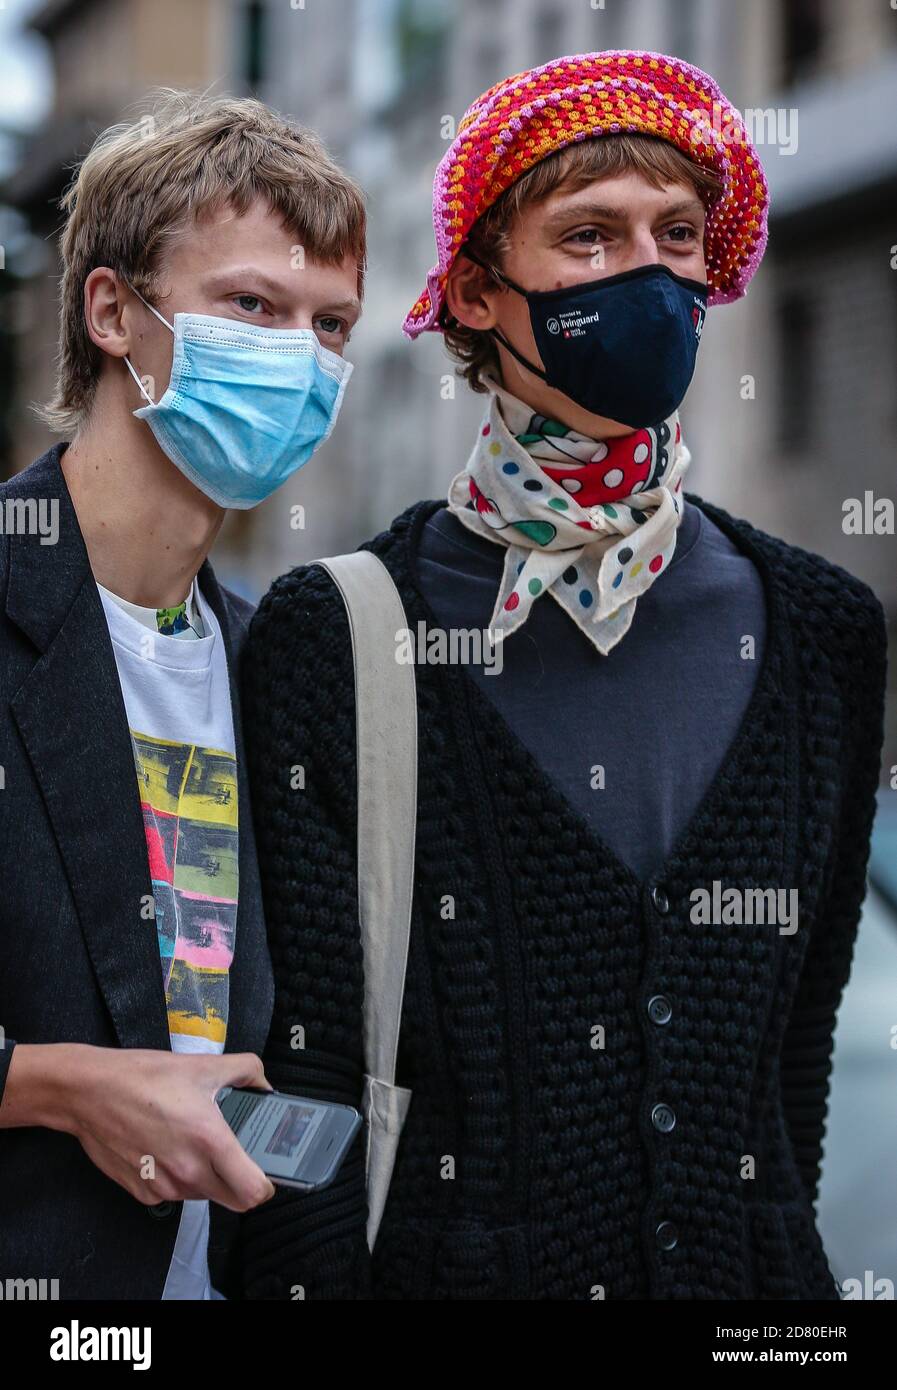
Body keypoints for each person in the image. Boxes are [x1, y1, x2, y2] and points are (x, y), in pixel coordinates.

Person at [240, 51, 887, 1299]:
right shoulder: (337, 630)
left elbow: (788, 1077)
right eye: (587, 236)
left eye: (678, 233)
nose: (646, 271)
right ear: (478, 292)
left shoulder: (823, 629)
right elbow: (307, 1079)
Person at [0, 90, 366, 1300]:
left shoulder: (281, 666)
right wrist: (58, 1084)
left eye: (330, 326)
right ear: (112, 311)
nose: (296, 359)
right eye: (252, 306)